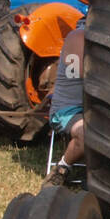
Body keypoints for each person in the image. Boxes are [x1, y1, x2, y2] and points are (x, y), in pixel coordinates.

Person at [43, 21, 86, 188]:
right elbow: (82, 75)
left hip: (92, 110)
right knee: (86, 133)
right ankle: (61, 169)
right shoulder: (77, 37)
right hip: (68, 111)